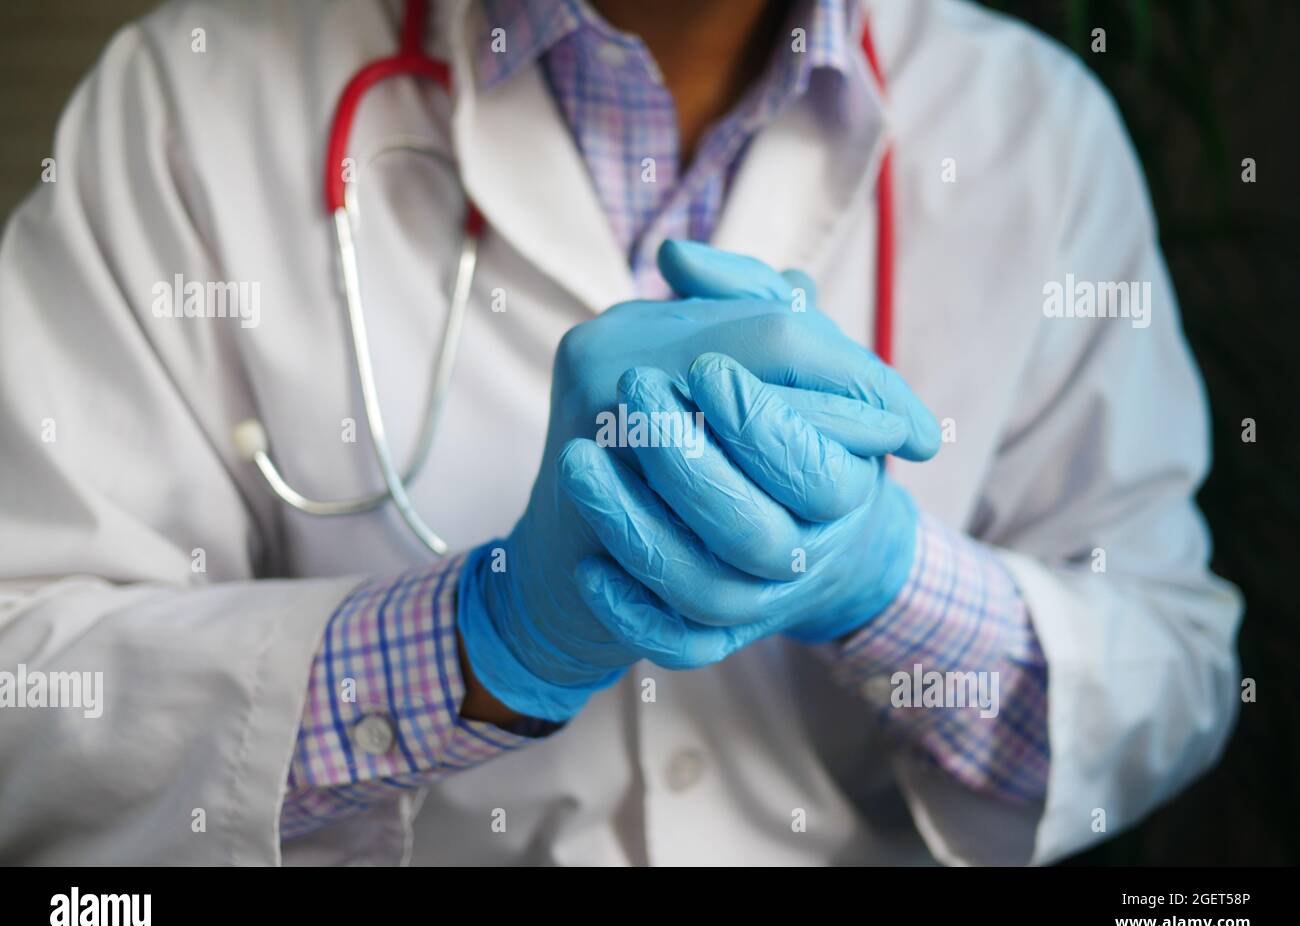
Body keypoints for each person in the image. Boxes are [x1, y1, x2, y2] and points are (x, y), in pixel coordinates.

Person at [0, 0, 1241, 866]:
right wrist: (480, 639)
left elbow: (1171, 668)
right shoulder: (186, 102)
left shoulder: (1034, 127)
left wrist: (888, 584)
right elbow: (25, 690)